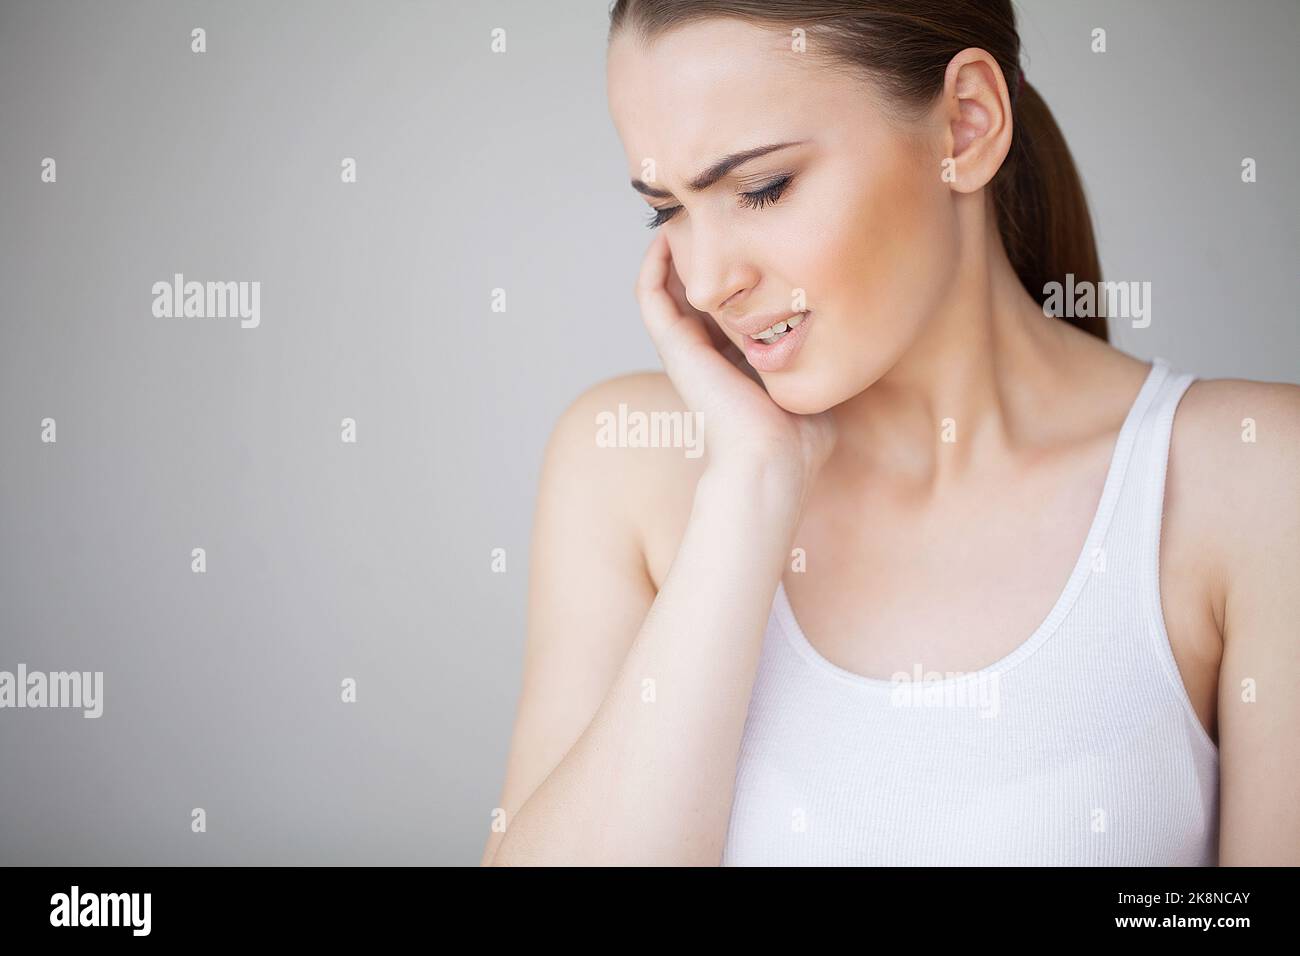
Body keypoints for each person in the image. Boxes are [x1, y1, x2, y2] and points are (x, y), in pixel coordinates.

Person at [481, 0, 1299, 866]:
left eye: (762, 189)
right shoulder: (626, 468)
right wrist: (751, 486)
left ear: (965, 124)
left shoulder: (1252, 482)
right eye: (666, 210)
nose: (709, 280)